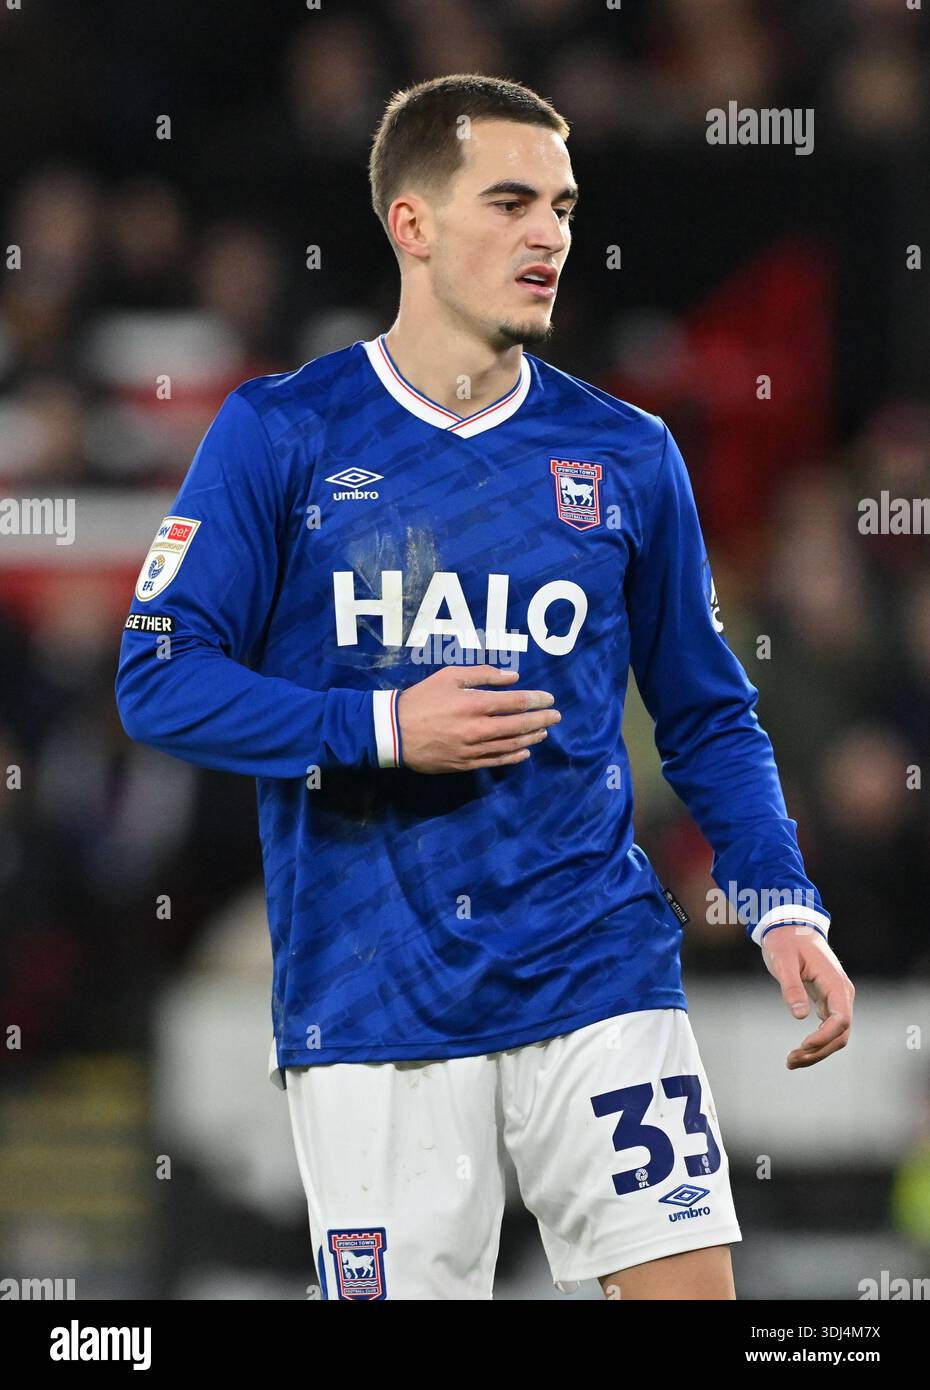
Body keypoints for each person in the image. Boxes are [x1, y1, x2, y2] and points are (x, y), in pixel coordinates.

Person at [115, 73, 854, 1301]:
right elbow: (158, 677)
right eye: (510, 202)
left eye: (561, 206)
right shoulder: (284, 434)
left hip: (595, 967)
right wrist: (382, 725)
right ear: (411, 224)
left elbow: (708, 710)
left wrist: (780, 898)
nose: (549, 234)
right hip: (370, 993)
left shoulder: (627, 455)